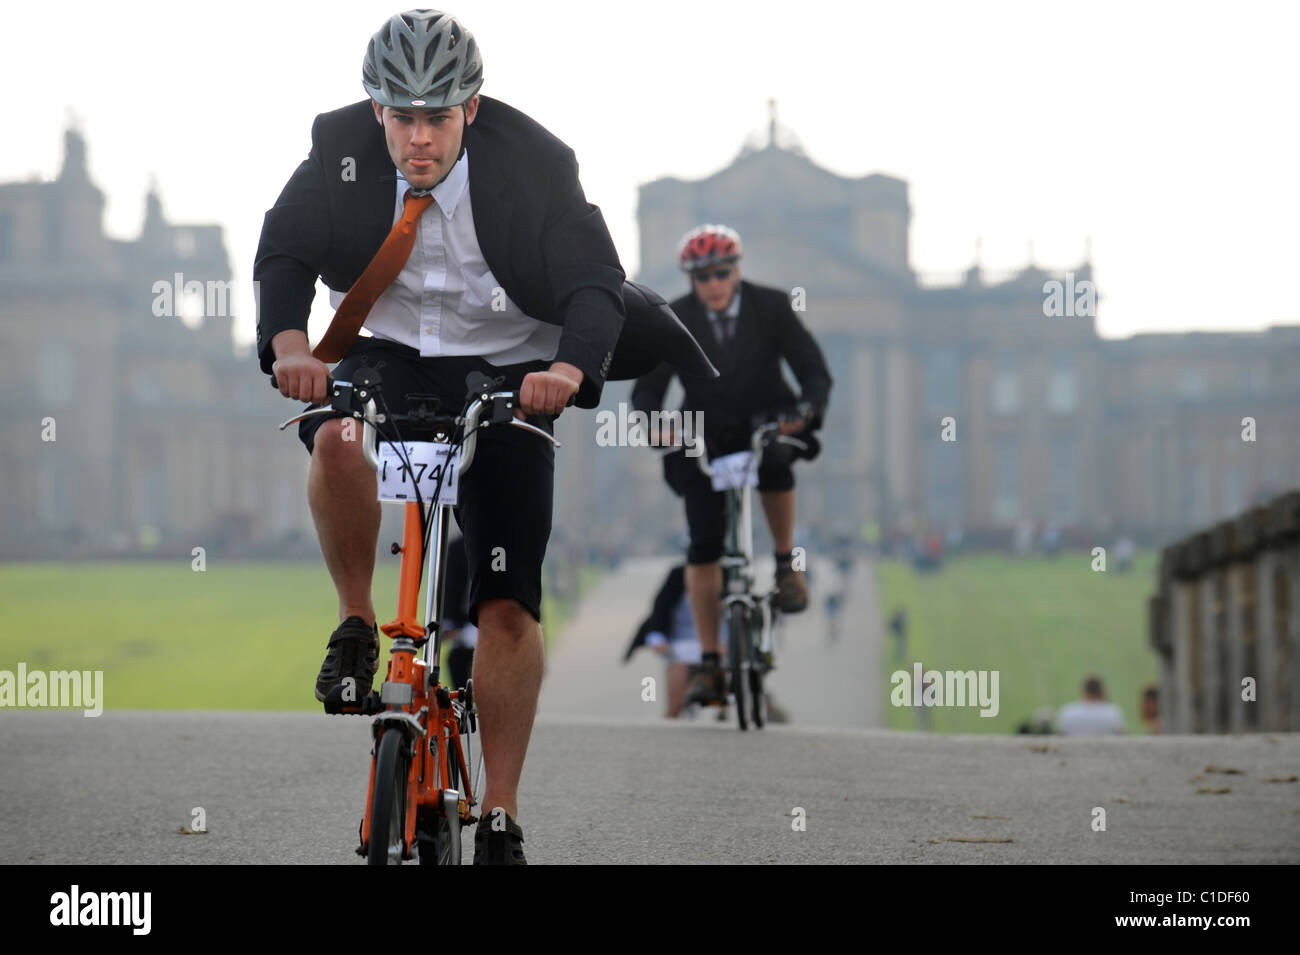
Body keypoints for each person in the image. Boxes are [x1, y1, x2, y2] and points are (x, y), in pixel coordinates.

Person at [254, 9, 712, 864]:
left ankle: (499, 809)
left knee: (505, 603)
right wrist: (287, 343)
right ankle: (356, 621)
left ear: (472, 106)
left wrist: (569, 373)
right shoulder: (337, 151)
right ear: (376, 108)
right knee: (337, 442)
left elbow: (593, 286)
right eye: (401, 116)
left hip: (513, 362)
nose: (418, 138)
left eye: (438, 116)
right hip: (389, 348)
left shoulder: (535, 163)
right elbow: (282, 253)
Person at [632, 224, 832, 706]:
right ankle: (711, 660)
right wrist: (655, 422)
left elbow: (812, 370)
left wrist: (805, 410)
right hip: (704, 433)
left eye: (722, 273)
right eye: (702, 277)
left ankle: (786, 563)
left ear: (737, 270)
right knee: (703, 545)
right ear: (691, 279)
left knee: (777, 463)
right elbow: (647, 387)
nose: (714, 284)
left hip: (769, 421)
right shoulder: (673, 318)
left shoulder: (773, 306)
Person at [1056, 675, 1126, 735]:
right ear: (1101, 691)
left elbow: (1059, 736)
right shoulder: (1113, 712)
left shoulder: (1067, 712)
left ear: (1084, 691)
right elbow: (1122, 735)